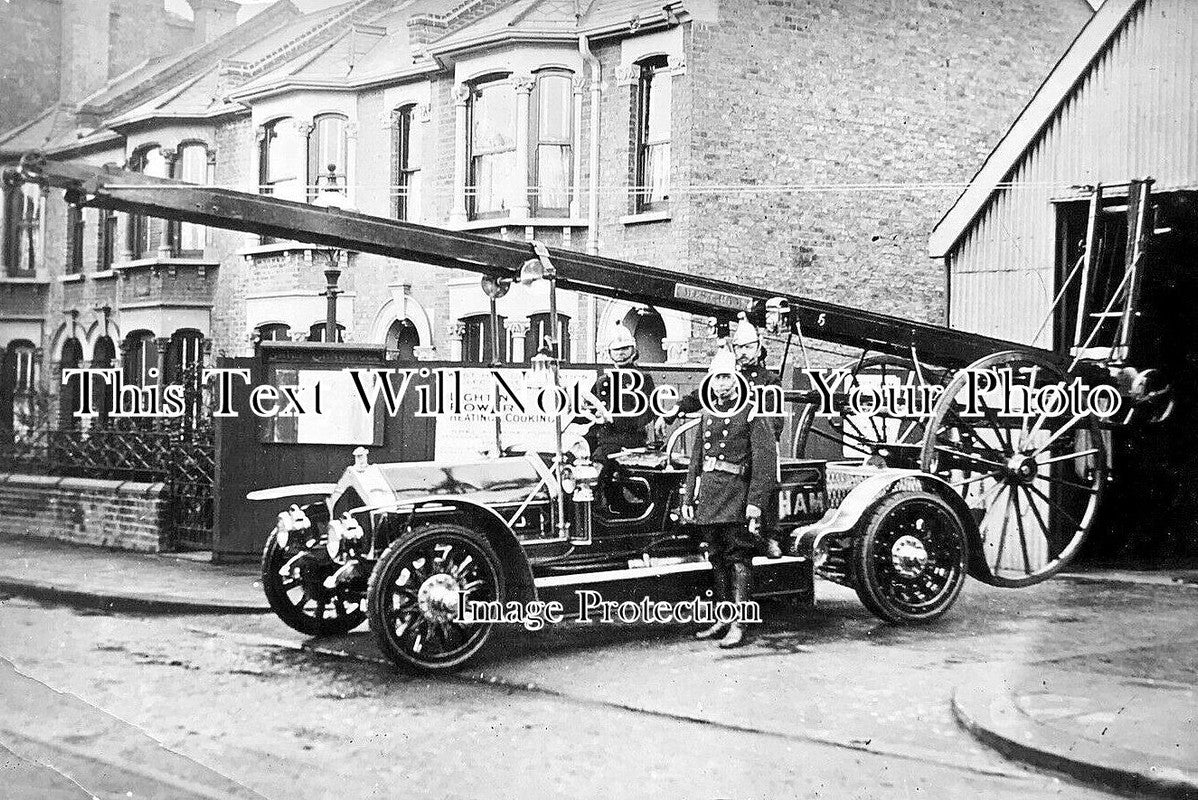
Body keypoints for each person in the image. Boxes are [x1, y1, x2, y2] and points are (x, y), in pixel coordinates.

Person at [663, 314, 785, 557]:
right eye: (739, 347)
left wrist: (755, 436)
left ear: (759, 347)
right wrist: (674, 410)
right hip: (731, 450)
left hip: (756, 443)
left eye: (749, 347)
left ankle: (770, 534)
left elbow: (773, 422)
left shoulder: (768, 380)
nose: (743, 352)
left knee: (763, 473)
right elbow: (700, 395)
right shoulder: (725, 375)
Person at [681, 348, 779, 648]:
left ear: (736, 380)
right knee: (716, 556)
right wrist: (689, 494)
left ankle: (739, 622)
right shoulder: (709, 413)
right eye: (717, 378)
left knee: (739, 558)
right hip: (710, 494)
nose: (722, 384)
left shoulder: (751, 412)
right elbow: (696, 457)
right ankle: (724, 616)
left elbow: (764, 461)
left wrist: (755, 503)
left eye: (726, 377)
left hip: (737, 494)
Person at [579, 325, 657, 510]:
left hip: (628, 437)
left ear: (633, 350)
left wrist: (614, 418)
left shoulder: (642, 379)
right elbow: (590, 408)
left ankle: (594, 508)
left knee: (600, 459)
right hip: (602, 435)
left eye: (625, 349)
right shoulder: (603, 381)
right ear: (609, 352)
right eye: (616, 350)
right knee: (574, 451)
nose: (621, 354)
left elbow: (647, 413)